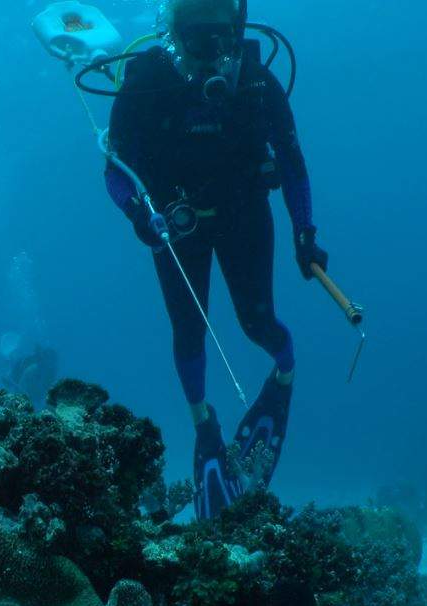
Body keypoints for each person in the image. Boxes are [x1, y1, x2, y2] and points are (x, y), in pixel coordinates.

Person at [104, 0, 328, 517]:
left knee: (258, 324)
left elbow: (292, 163)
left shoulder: (257, 84)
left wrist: (305, 232)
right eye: (195, 40)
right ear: (173, 36)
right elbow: (114, 169)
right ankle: (203, 424)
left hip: (244, 218)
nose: (210, 53)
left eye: (220, 39)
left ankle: (283, 375)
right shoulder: (145, 82)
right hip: (174, 225)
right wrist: (138, 213)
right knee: (188, 330)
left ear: (236, 32)